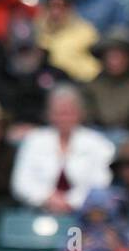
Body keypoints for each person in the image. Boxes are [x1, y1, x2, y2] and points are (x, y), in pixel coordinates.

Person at [10, 83, 114, 211]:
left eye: (68, 113)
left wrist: (71, 201)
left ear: (80, 113)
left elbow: (101, 182)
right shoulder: (34, 140)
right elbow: (21, 183)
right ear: (48, 114)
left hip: (85, 211)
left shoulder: (98, 143)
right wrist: (47, 197)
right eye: (58, 113)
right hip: (39, 210)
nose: (63, 118)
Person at [33, 0, 100, 83]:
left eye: (61, 6)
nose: (55, 12)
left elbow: (94, 70)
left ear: (70, 7)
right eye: (51, 6)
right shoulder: (35, 30)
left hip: (74, 86)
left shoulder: (86, 32)